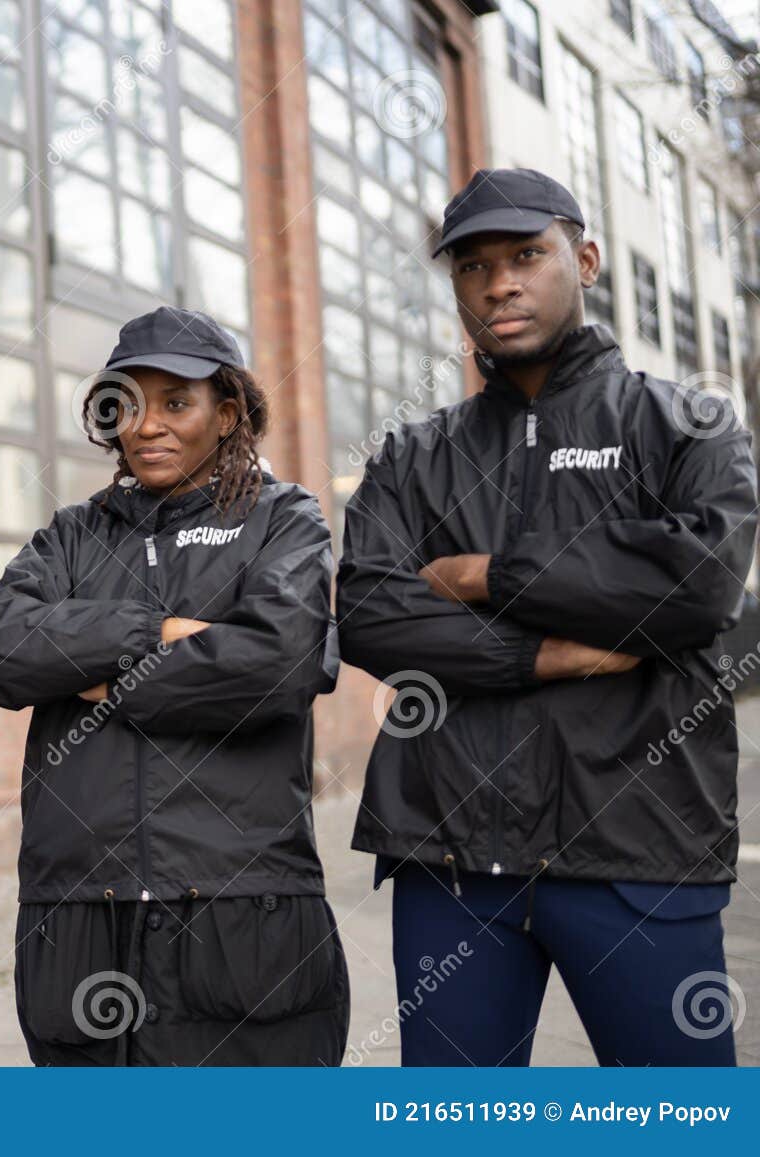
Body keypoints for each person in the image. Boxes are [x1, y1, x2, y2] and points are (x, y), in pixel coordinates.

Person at [338, 168, 757, 1066]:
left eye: (527, 254)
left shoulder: (684, 423)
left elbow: (698, 586)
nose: (500, 284)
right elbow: (371, 613)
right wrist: (542, 656)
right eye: (473, 266)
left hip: (639, 845)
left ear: (587, 259)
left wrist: (490, 575)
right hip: (451, 861)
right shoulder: (414, 454)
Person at [0, 306, 347, 1066]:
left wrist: (97, 679)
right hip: (78, 919)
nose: (147, 425)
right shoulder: (71, 536)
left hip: (241, 916)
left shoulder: (283, 520)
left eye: (176, 402)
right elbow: (5, 647)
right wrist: (158, 632)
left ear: (227, 412)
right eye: (127, 404)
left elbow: (278, 661)